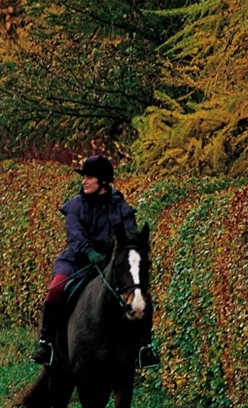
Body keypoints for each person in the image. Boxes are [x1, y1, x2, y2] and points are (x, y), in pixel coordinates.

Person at [30, 155, 157, 368]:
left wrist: (119, 253)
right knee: (55, 289)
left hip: (111, 263)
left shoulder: (121, 207)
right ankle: (46, 343)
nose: (84, 181)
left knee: (142, 296)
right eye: (84, 177)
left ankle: (145, 346)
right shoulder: (75, 206)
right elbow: (74, 234)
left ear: (103, 182)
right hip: (77, 261)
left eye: (89, 177)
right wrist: (89, 252)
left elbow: (129, 235)